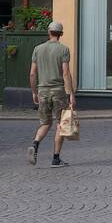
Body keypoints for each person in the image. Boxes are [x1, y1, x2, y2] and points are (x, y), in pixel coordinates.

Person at [29, 20, 76, 168]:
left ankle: (35, 144)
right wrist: (71, 94)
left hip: (42, 91)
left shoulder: (38, 49)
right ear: (61, 34)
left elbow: (32, 74)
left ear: (49, 32)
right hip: (58, 92)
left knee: (45, 123)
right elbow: (66, 73)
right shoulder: (63, 49)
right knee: (61, 124)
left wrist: (34, 92)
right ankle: (56, 158)